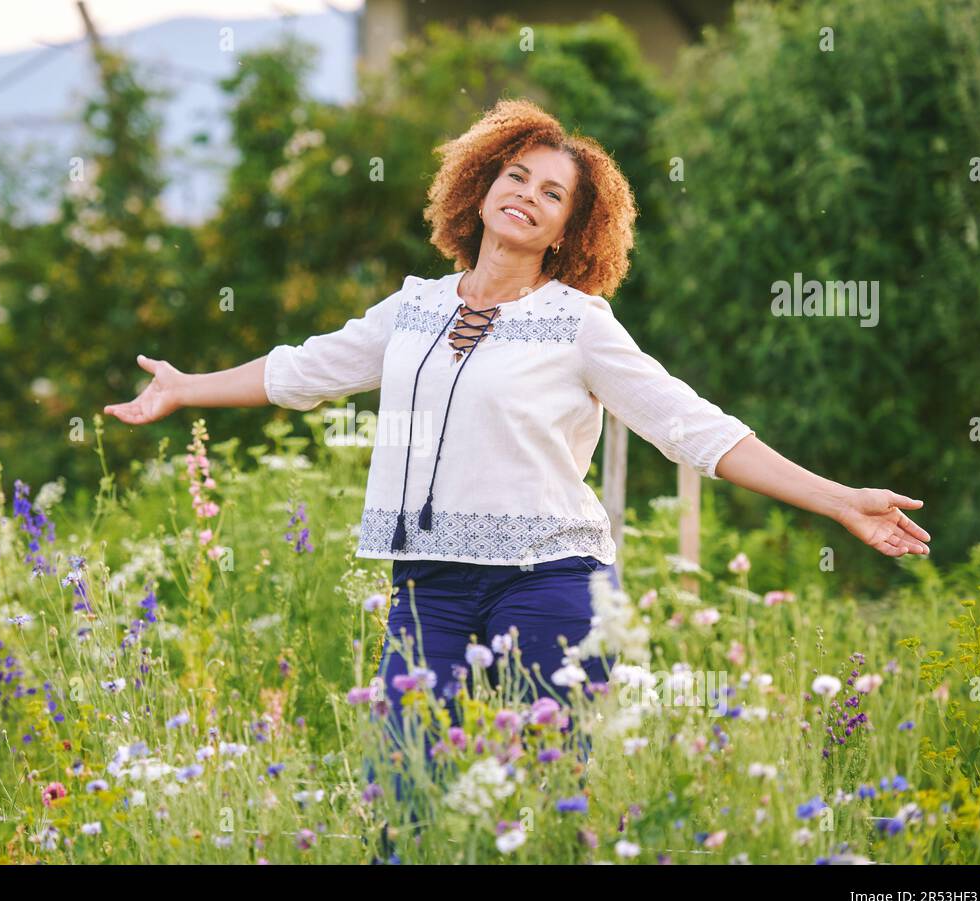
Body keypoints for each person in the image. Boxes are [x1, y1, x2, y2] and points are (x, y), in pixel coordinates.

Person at [103, 97, 930, 812]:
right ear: (482, 186)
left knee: (543, 797)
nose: (528, 197)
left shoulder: (579, 322)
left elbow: (693, 426)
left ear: (572, 226)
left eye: (553, 193)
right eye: (517, 178)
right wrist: (185, 386)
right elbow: (301, 370)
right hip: (424, 586)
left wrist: (837, 498)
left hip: (550, 586)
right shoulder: (413, 307)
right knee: (403, 793)